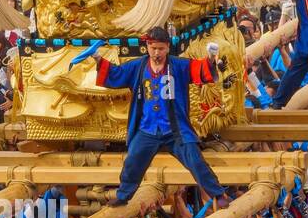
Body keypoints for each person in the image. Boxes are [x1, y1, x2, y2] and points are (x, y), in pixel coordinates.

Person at [84, 26, 229, 205]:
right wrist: (98, 58)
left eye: (160, 48)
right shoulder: (138, 66)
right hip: (147, 128)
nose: (156, 52)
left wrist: (210, 58)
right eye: (153, 48)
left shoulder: (178, 65)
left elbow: (200, 69)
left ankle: (218, 194)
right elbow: (116, 74)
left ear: (167, 47)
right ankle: (122, 197)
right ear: (147, 47)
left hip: (174, 128)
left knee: (195, 160)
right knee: (132, 163)